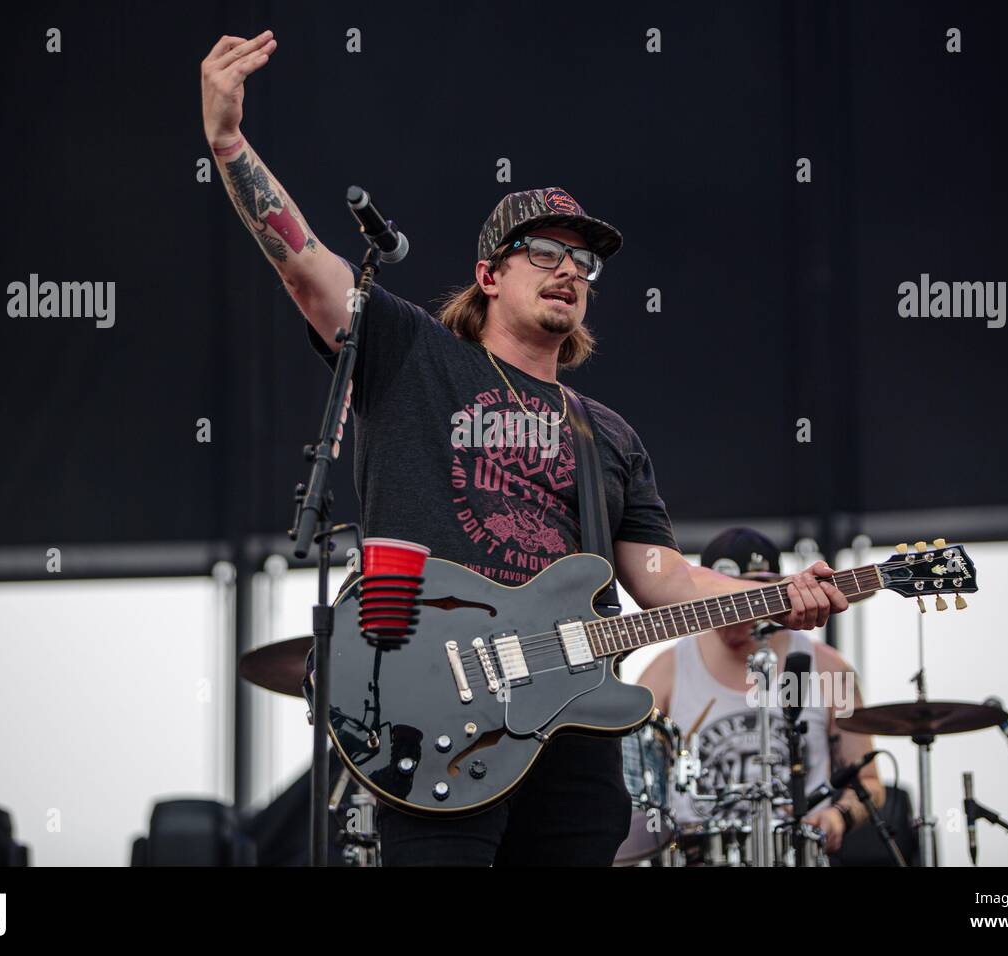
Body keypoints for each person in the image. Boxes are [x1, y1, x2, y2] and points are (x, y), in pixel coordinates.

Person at [201, 31, 849, 865]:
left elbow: (658, 579)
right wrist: (227, 142)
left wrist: (772, 592)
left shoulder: (608, 433)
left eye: (582, 261)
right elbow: (308, 269)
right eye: (542, 252)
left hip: (573, 720)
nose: (568, 269)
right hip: (438, 704)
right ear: (489, 274)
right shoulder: (417, 356)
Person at [635, 527, 883, 854]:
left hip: (795, 851)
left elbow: (869, 783)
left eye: (743, 601)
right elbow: (632, 780)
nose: (729, 615)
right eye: (717, 601)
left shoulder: (830, 669)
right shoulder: (667, 669)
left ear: (772, 592)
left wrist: (838, 816)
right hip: (696, 854)